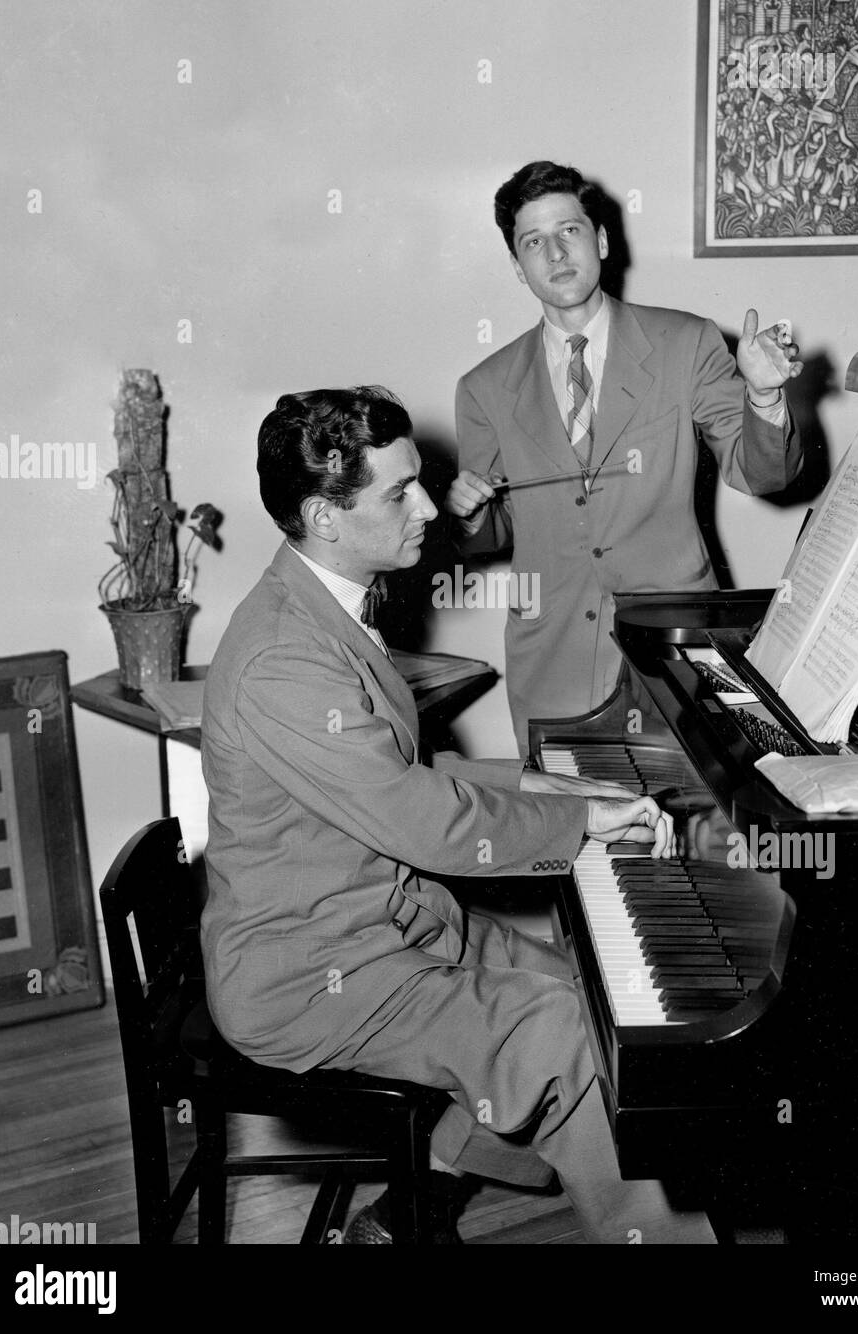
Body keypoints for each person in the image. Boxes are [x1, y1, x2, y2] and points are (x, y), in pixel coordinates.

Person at [200, 385, 717, 1244]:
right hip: (311, 974)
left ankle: (415, 1202)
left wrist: (556, 789)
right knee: (563, 1034)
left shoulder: (326, 606)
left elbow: (403, 776)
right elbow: (418, 817)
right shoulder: (282, 657)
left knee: (589, 990)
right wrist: (576, 826)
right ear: (325, 518)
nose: (430, 508)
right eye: (399, 493)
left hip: (385, 923)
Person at [445, 161, 803, 753]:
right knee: (569, 810)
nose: (555, 253)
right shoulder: (483, 387)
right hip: (552, 661)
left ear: (603, 241)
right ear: (517, 266)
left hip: (674, 651)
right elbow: (491, 534)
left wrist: (762, 397)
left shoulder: (686, 342)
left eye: (570, 231)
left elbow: (760, 475)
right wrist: (471, 514)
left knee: (701, 806)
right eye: (533, 242)